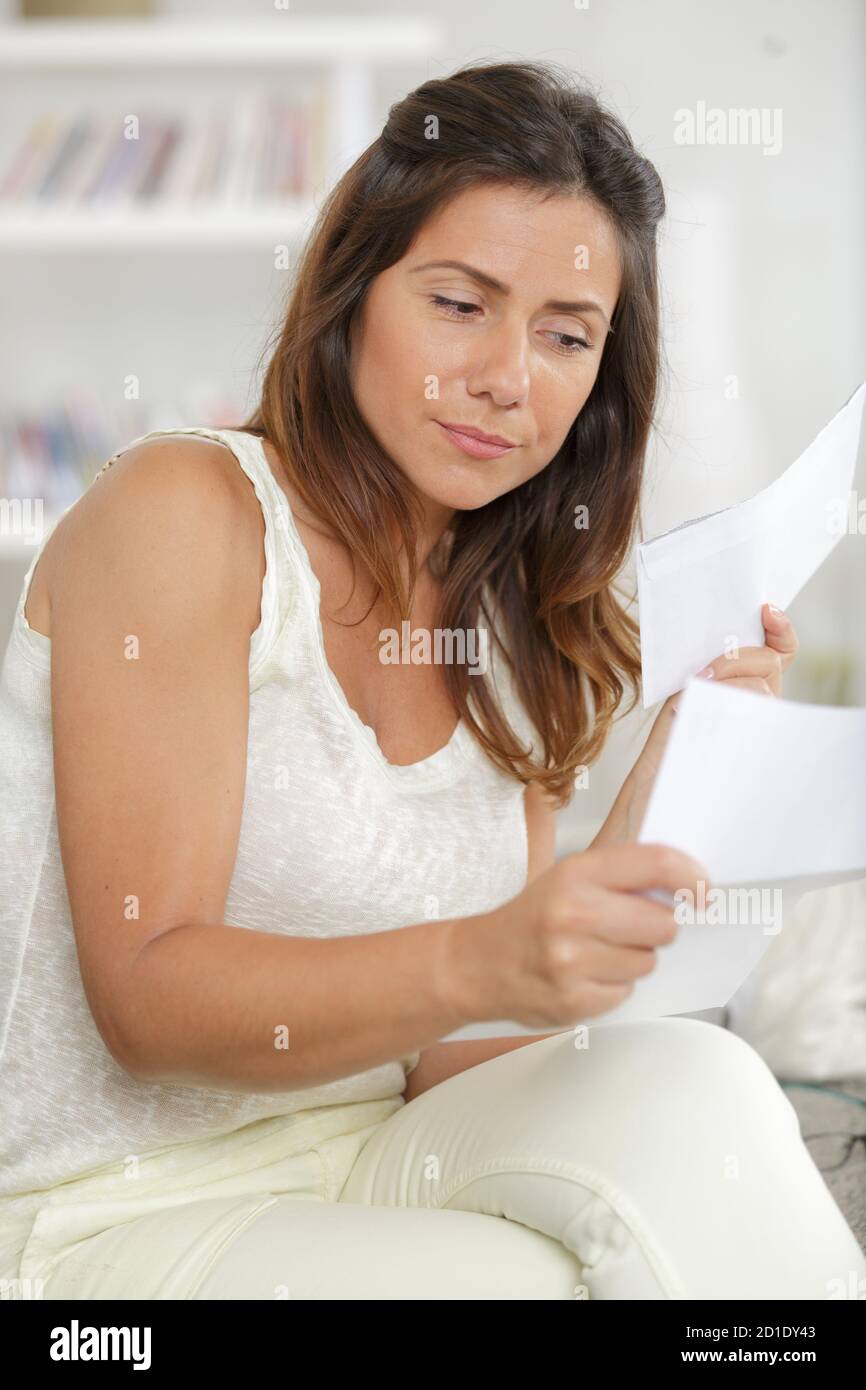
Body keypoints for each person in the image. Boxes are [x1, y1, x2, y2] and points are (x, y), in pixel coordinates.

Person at [1, 59, 862, 1302]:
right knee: (530, 1284)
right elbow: (146, 1001)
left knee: (705, 1082)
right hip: (107, 1219)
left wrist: (652, 822)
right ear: (354, 293)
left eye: (566, 333)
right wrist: (493, 951)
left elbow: (449, 1058)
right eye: (460, 303)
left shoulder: (513, 613)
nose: (509, 375)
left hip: (378, 1154)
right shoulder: (183, 512)